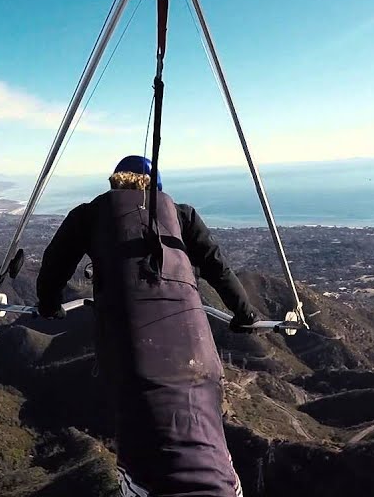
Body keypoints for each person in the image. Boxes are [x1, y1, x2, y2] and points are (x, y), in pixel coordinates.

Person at [36, 155, 257, 497]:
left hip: (134, 351)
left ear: (114, 184)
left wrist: (50, 305)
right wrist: (245, 314)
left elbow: (53, 266)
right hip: (195, 350)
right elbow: (218, 268)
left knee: (147, 428)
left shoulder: (89, 214)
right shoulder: (182, 215)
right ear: (157, 188)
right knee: (204, 424)